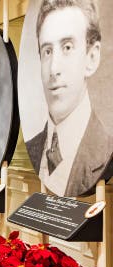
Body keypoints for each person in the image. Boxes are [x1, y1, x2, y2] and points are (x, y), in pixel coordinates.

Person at [25, 0, 113, 197]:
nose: (54, 68)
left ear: (92, 58)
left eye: (67, 47)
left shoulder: (106, 149)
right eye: (47, 51)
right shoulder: (33, 148)